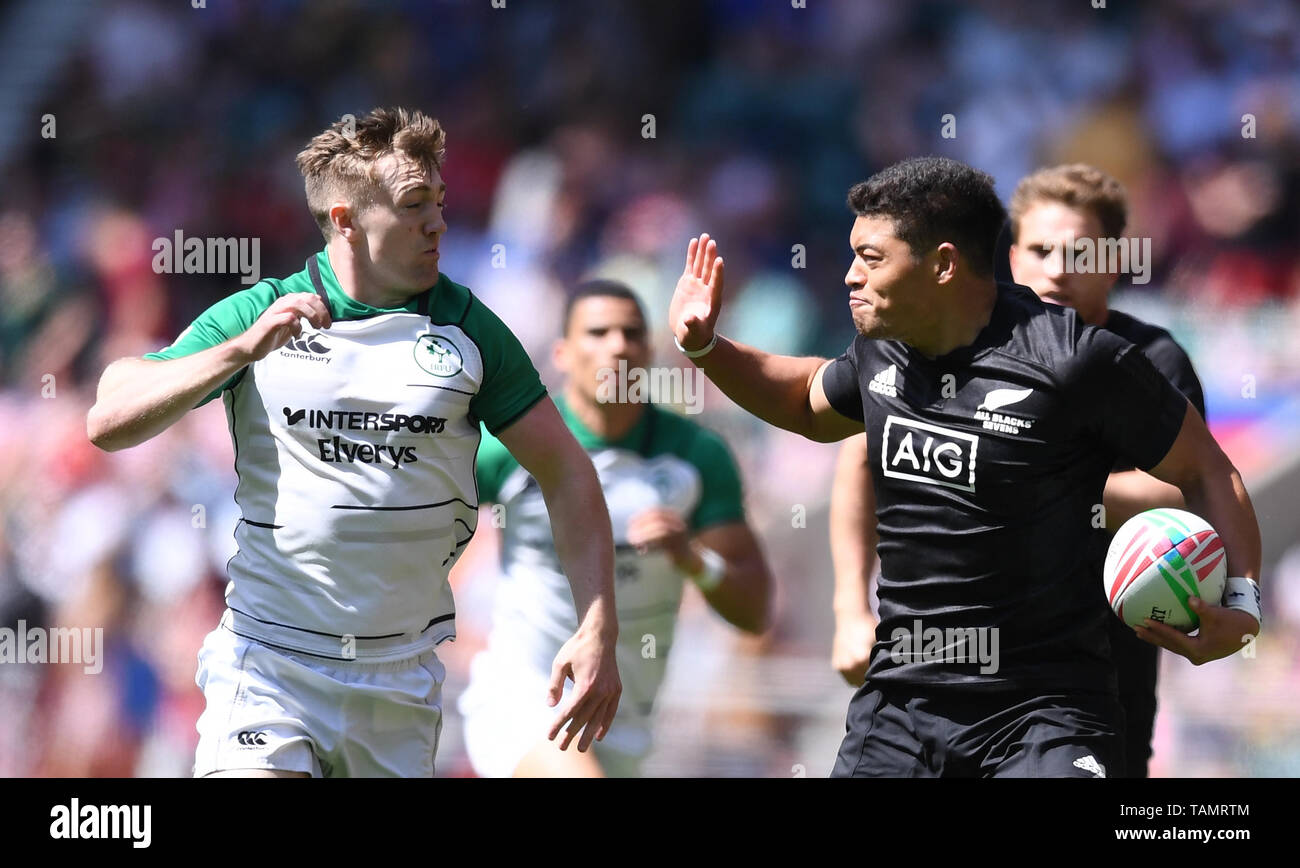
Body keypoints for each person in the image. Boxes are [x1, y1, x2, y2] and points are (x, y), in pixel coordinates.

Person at [667, 156, 1262, 778]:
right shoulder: (884, 347)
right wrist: (708, 347)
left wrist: (1243, 605)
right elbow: (811, 401)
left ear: (944, 265)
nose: (849, 277)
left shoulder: (1081, 361)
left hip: (1043, 713)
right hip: (902, 703)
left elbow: (1209, 472)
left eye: (871, 259)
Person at [85, 107, 621, 778]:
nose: (439, 223)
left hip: (396, 683)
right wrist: (238, 353)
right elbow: (109, 416)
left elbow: (568, 473)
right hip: (269, 666)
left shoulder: (471, 330)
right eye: (413, 205)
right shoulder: (262, 314)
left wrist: (598, 623)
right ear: (344, 219)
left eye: (440, 202)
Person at [828, 163, 1209, 777]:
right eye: (1039, 249)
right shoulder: (938, 333)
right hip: (937, 667)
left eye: (1080, 252)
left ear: (1115, 262)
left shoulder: (1151, 359)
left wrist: (1041, 479)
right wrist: (850, 607)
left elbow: (1188, 489)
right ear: (1008, 256)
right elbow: (862, 456)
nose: (1057, 268)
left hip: (1096, 667)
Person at [458, 280, 773, 777]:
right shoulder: (510, 446)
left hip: (624, 723)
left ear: (648, 351)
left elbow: (754, 610)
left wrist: (692, 558)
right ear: (561, 353)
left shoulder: (696, 456)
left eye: (631, 333)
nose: (617, 346)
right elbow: (422, 526)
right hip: (524, 697)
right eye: (598, 332)